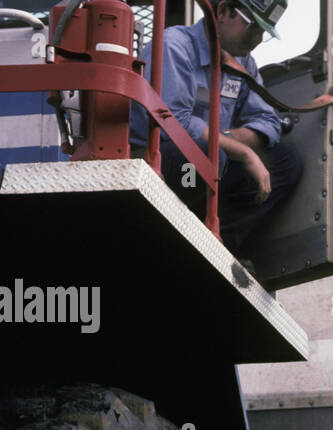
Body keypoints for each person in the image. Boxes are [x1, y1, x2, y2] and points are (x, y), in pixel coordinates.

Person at [129, 0, 302, 257]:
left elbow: (268, 122)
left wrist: (226, 140)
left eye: (264, 32)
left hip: (208, 157)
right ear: (223, 12)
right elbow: (173, 123)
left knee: (286, 162)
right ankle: (172, 237)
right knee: (207, 155)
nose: (257, 38)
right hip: (152, 158)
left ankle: (222, 246)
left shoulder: (244, 65)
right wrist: (243, 153)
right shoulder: (174, 46)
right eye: (254, 27)